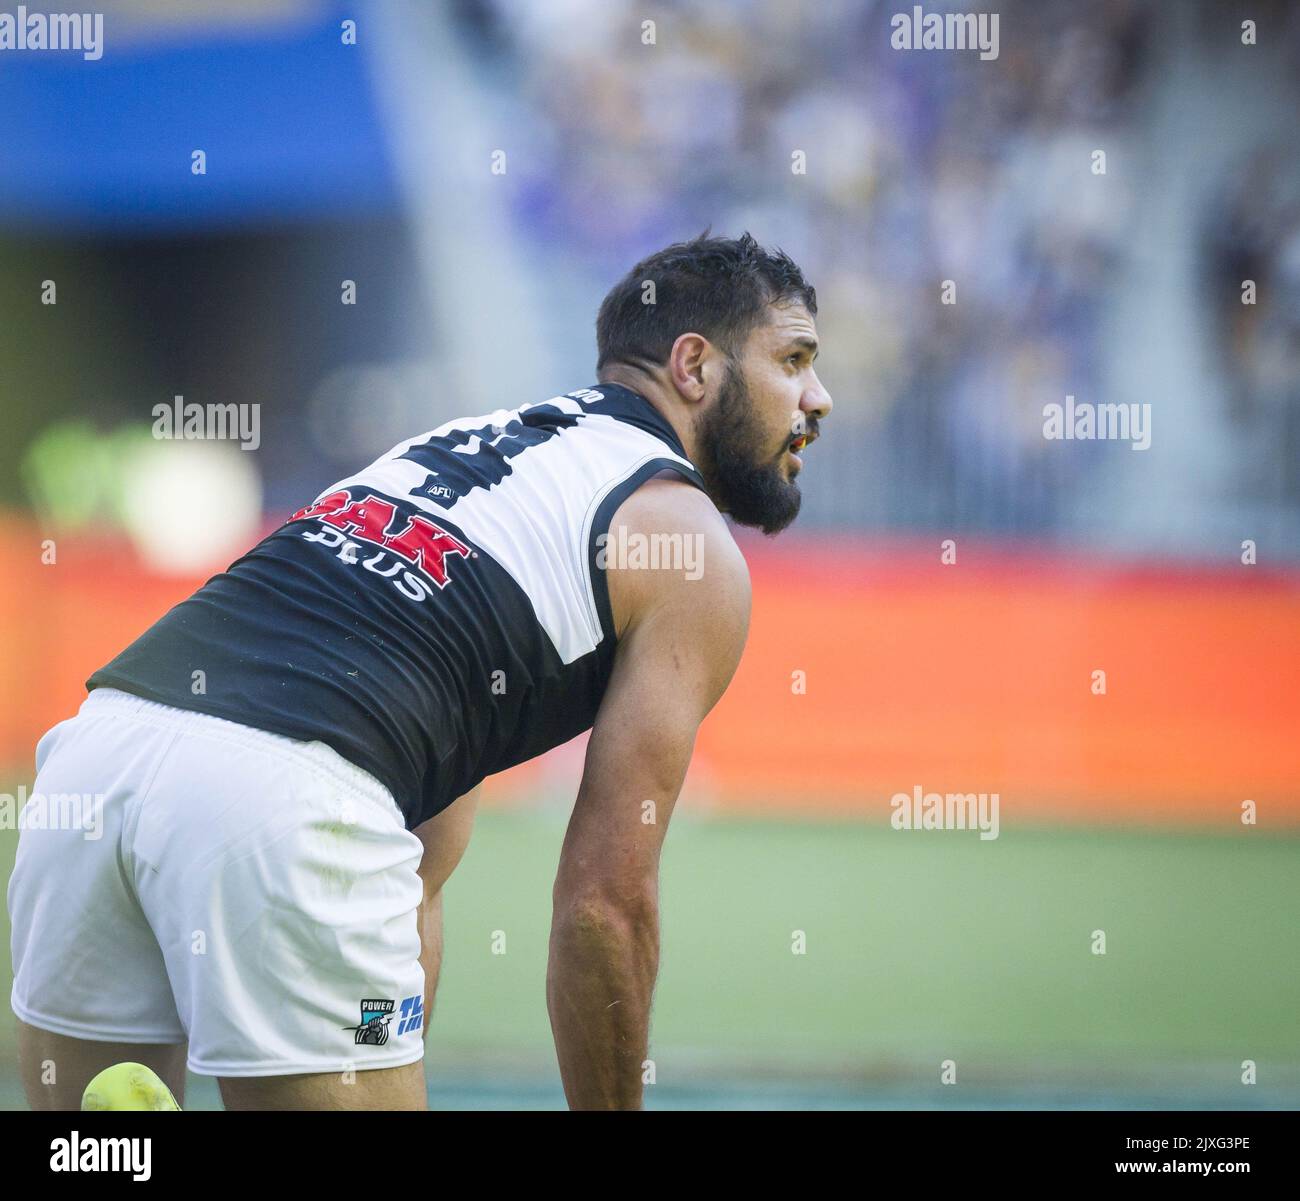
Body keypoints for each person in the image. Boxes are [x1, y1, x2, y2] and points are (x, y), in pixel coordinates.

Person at [8, 232, 832, 1110]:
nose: (818, 398)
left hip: (94, 761)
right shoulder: (687, 544)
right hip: (286, 798)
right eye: (794, 359)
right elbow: (604, 905)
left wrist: (376, 1040)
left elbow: (421, 868)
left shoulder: (450, 446)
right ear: (695, 365)